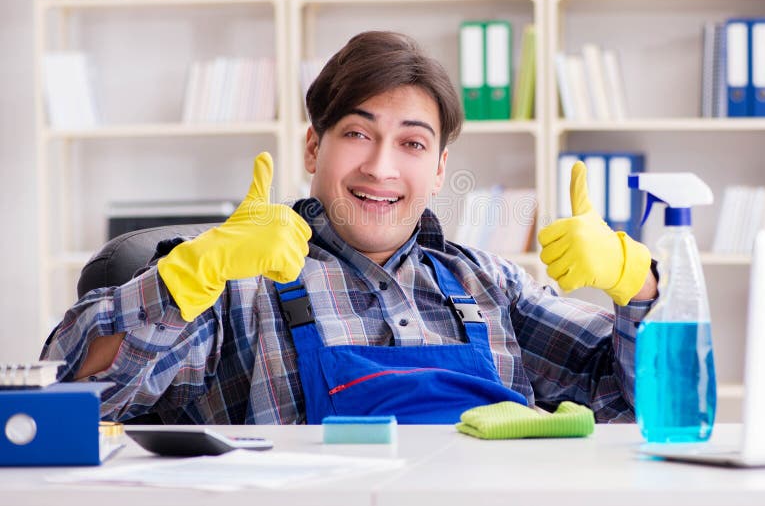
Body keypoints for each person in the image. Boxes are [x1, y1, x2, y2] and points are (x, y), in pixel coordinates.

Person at [41, 31, 658, 425]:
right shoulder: (238, 285)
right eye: (358, 134)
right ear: (314, 147)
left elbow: (646, 405)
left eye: (412, 144)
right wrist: (185, 275)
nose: (381, 168)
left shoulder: (492, 284)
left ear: (440, 169)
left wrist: (639, 287)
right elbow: (69, 389)